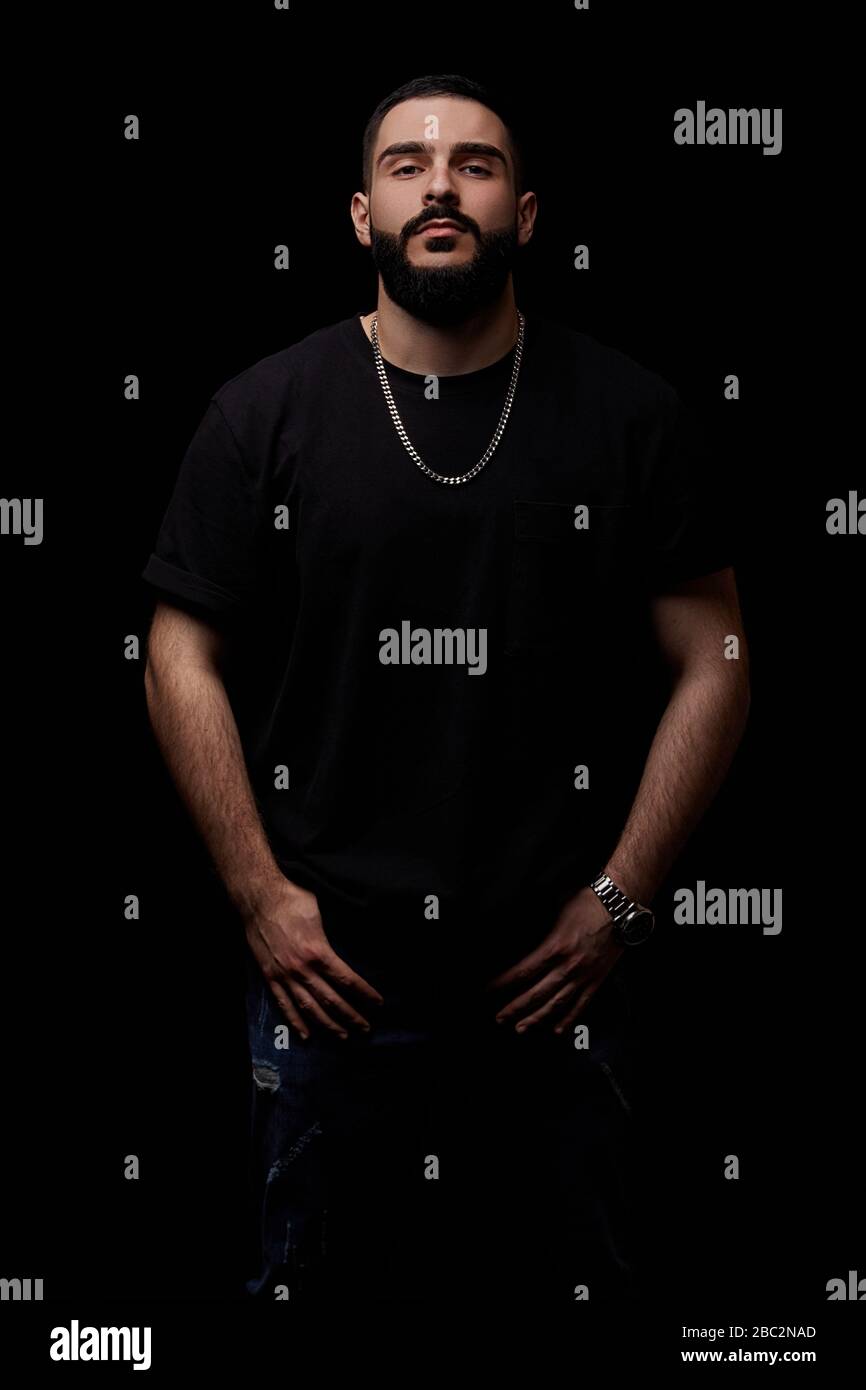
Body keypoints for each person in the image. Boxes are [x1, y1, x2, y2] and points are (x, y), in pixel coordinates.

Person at [141, 74, 751, 1307]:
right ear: (359, 213)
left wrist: (620, 901)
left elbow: (717, 660)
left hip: (558, 974)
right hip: (327, 981)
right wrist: (260, 901)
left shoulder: (631, 417)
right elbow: (177, 656)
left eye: (472, 165)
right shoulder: (262, 415)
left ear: (523, 214)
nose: (438, 185)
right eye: (406, 164)